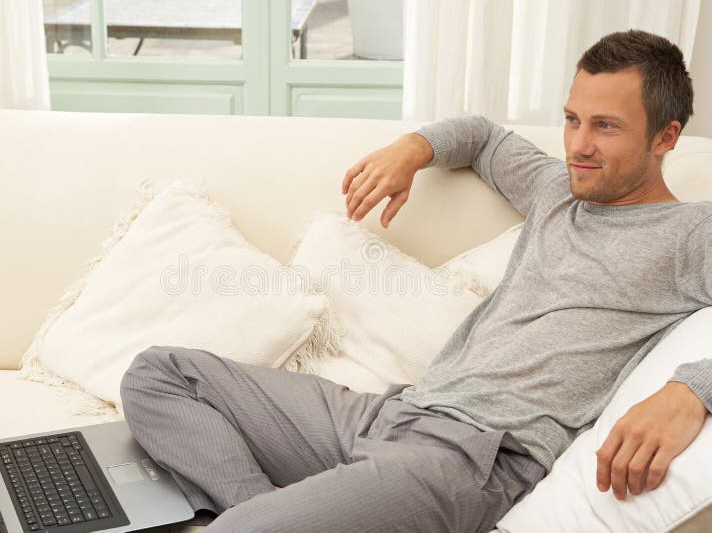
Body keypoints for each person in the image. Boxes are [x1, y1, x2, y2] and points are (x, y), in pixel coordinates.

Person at [119, 30, 711, 533]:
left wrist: (690, 392)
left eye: (605, 127)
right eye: (572, 119)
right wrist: (413, 148)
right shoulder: (560, 190)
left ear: (665, 137)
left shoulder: (689, 233)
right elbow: (482, 136)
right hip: (390, 413)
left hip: (470, 458)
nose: (579, 146)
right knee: (160, 374)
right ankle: (270, 512)